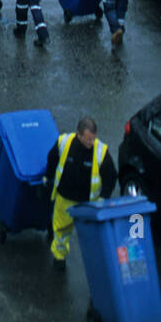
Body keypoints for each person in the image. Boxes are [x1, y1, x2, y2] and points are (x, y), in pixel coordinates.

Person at [44, 116, 117, 272]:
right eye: (88, 139)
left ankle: (95, 266)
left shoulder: (100, 152)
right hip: (65, 197)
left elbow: (111, 176)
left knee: (91, 235)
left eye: (93, 139)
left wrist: (104, 197)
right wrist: (48, 179)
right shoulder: (64, 142)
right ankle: (59, 257)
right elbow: (51, 159)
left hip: (88, 203)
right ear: (78, 134)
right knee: (61, 230)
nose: (91, 143)